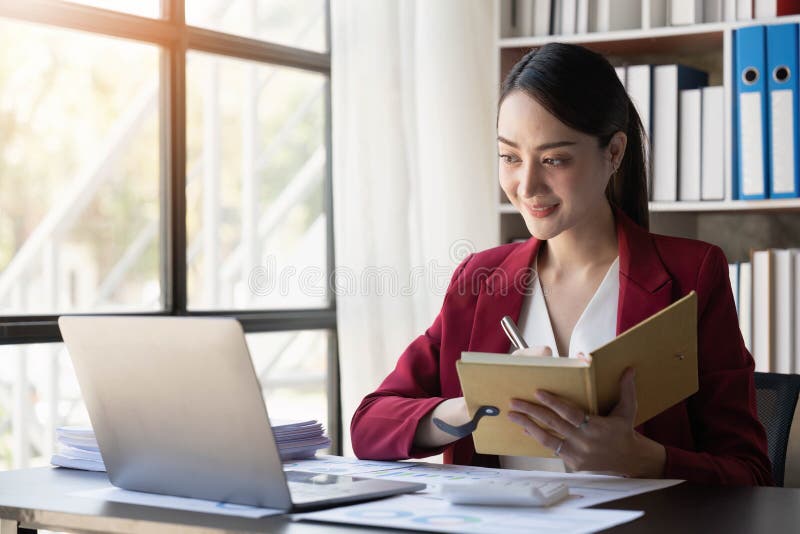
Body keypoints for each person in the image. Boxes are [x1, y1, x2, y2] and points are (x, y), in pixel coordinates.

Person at [349, 43, 773, 485]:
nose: (526, 184)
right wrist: (471, 407)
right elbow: (369, 425)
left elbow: (750, 475)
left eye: (554, 159)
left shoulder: (692, 275)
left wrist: (641, 458)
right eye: (510, 157)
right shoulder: (479, 280)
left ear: (613, 153)